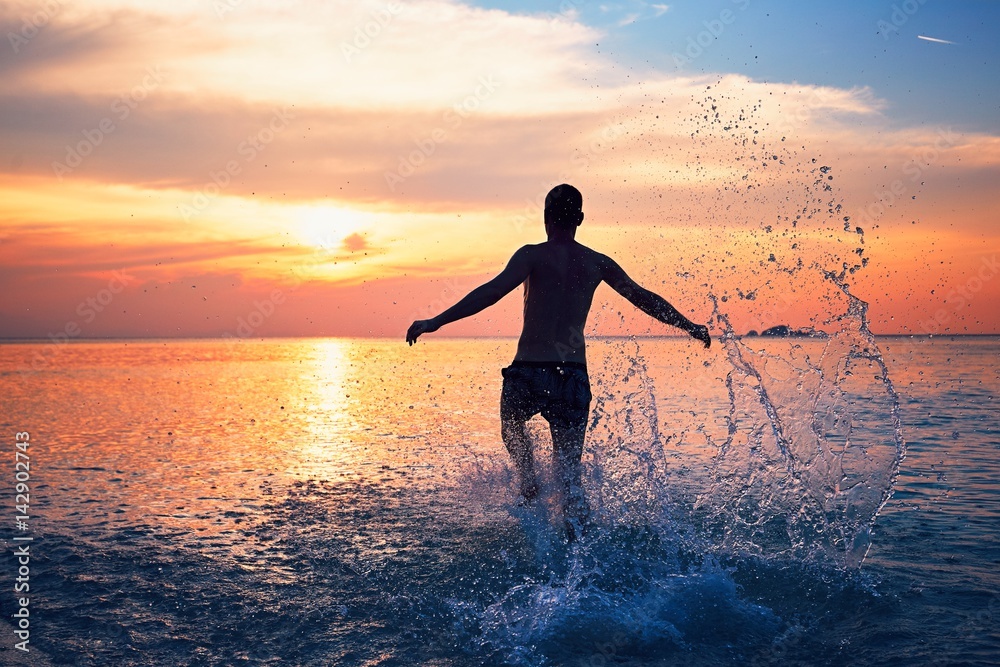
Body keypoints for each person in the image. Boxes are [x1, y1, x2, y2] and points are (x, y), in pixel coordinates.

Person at [406, 184, 710, 538]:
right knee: (570, 480)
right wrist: (688, 326)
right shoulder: (598, 262)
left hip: (529, 372)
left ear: (546, 218)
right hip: (572, 377)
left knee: (512, 427)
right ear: (580, 219)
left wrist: (435, 321)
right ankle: (581, 555)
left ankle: (528, 482)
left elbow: (490, 293)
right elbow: (643, 298)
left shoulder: (532, 255)